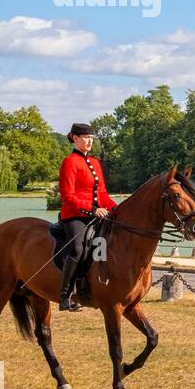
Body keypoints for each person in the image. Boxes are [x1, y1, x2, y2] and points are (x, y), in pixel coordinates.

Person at [57, 123, 117, 311]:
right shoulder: (69, 162)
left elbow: (103, 194)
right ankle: (65, 295)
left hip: (97, 213)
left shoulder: (95, 163)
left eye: (91, 137)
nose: (89, 140)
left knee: (107, 243)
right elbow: (68, 196)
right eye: (85, 137)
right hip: (75, 215)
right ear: (75, 138)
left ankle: (97, 287)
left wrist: (116, 209)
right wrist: (92, 210)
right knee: (77, 248)